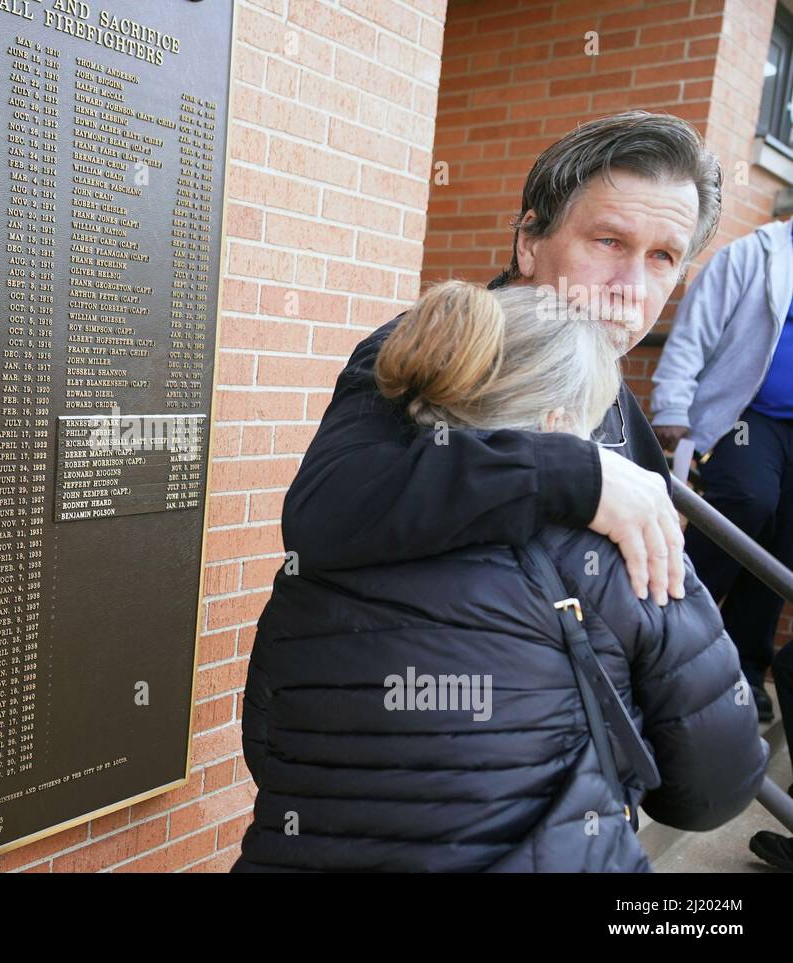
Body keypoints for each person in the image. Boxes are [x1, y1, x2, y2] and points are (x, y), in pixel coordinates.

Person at [231, 281, 768, 872]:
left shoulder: (329, 552)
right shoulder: (625, 553)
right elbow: (719, 784)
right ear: (560, 422)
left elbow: (266, 742)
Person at [280, 111, 719, 613]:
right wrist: (571, 475)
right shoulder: (437, 348)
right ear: (529, 241)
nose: (632, 290)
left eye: (662, 256)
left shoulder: (606, 382)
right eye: (608, 242)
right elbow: (323, 515)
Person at [650, 218, 793, 870]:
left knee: (783, 550)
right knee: (745, 503)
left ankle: (743, 666)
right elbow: (694, 334)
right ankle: (678, 616)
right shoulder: (752, 256)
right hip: (744, 418)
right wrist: (672, 409)